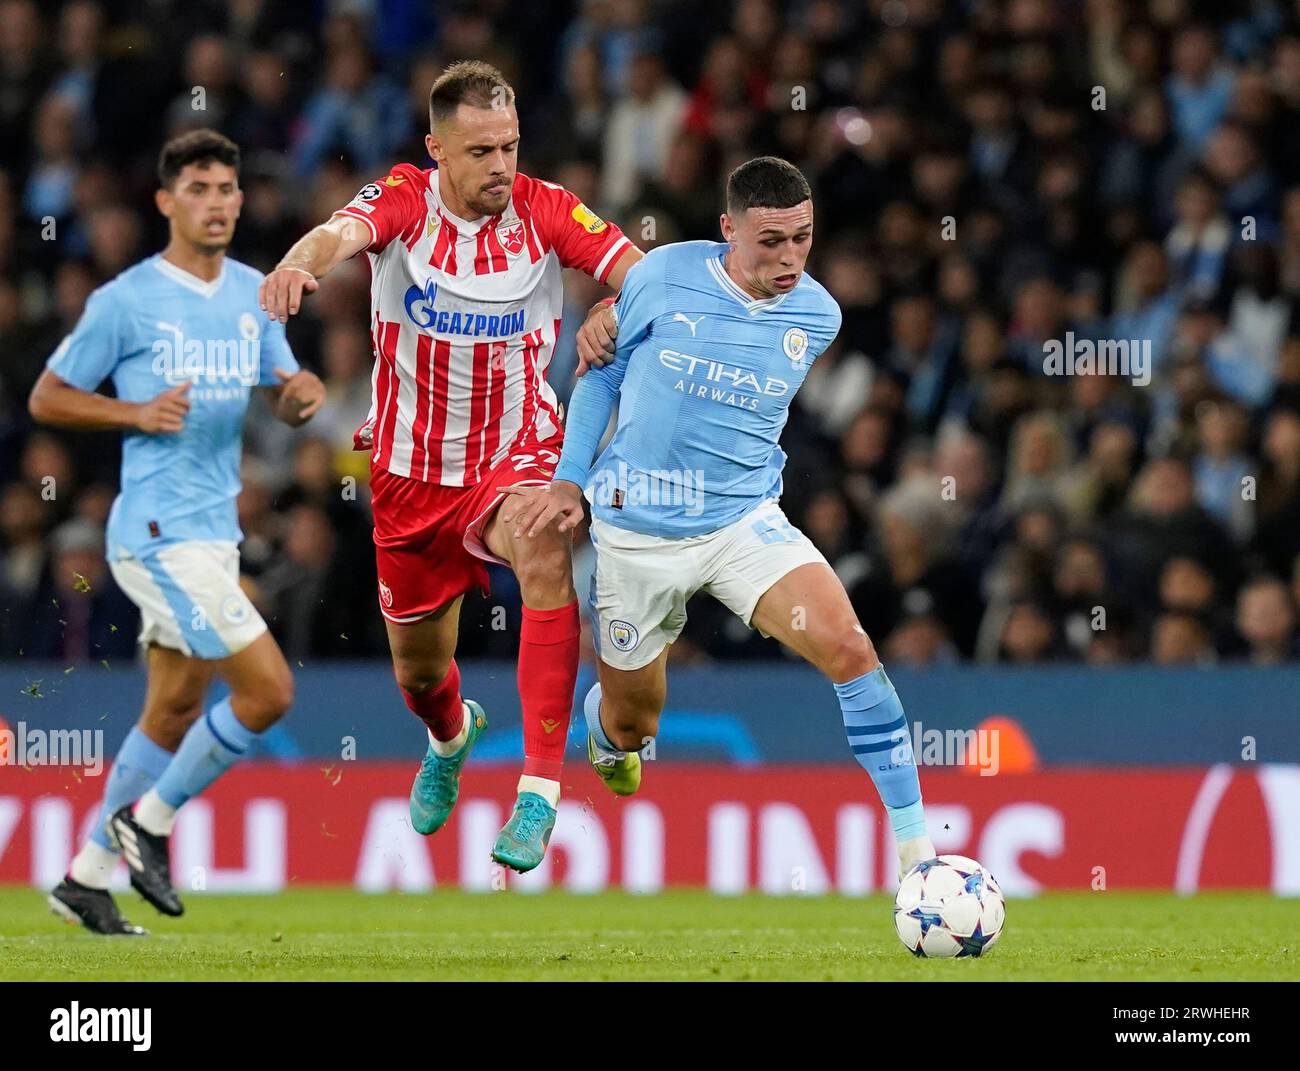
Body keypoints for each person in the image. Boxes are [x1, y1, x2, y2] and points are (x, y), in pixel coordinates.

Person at [259, 61, 641, 872]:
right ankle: (451, 733)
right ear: (437, 149)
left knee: (543, 548)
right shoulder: (403, 199)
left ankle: (539, 793)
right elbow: (337, 233)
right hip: (408, 474)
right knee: (420, 672)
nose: (500, 164)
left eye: (508, 145)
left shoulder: (545, 209)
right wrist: (301, 262)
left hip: (517, 449)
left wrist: (614, 306)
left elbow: (639, 275)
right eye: (479, 151)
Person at [508, 156, 937, 879]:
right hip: (638, 531)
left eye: (802, 237)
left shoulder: (819, 315)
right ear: (726, 229)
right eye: (770, 240)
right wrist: (569, 483)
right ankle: (608, 733)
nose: (790, 257)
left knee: (851, 647)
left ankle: (919, 854)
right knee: (634, 719)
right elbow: (603, 372)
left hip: (743, 524)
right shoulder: (663, 276)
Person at [29, 129, 325, 934]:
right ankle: (150, 822)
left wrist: (297, 390)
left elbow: (282, 387)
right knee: (269, 688)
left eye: (228, 187)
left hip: (211, 532)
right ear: (166, 201)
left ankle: (86, 878)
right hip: (156, 535)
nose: (219, 201)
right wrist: (132, 411)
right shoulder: (125, 299)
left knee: (172, 709)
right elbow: (47, 397)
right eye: (199, 187)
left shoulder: (253, 292)